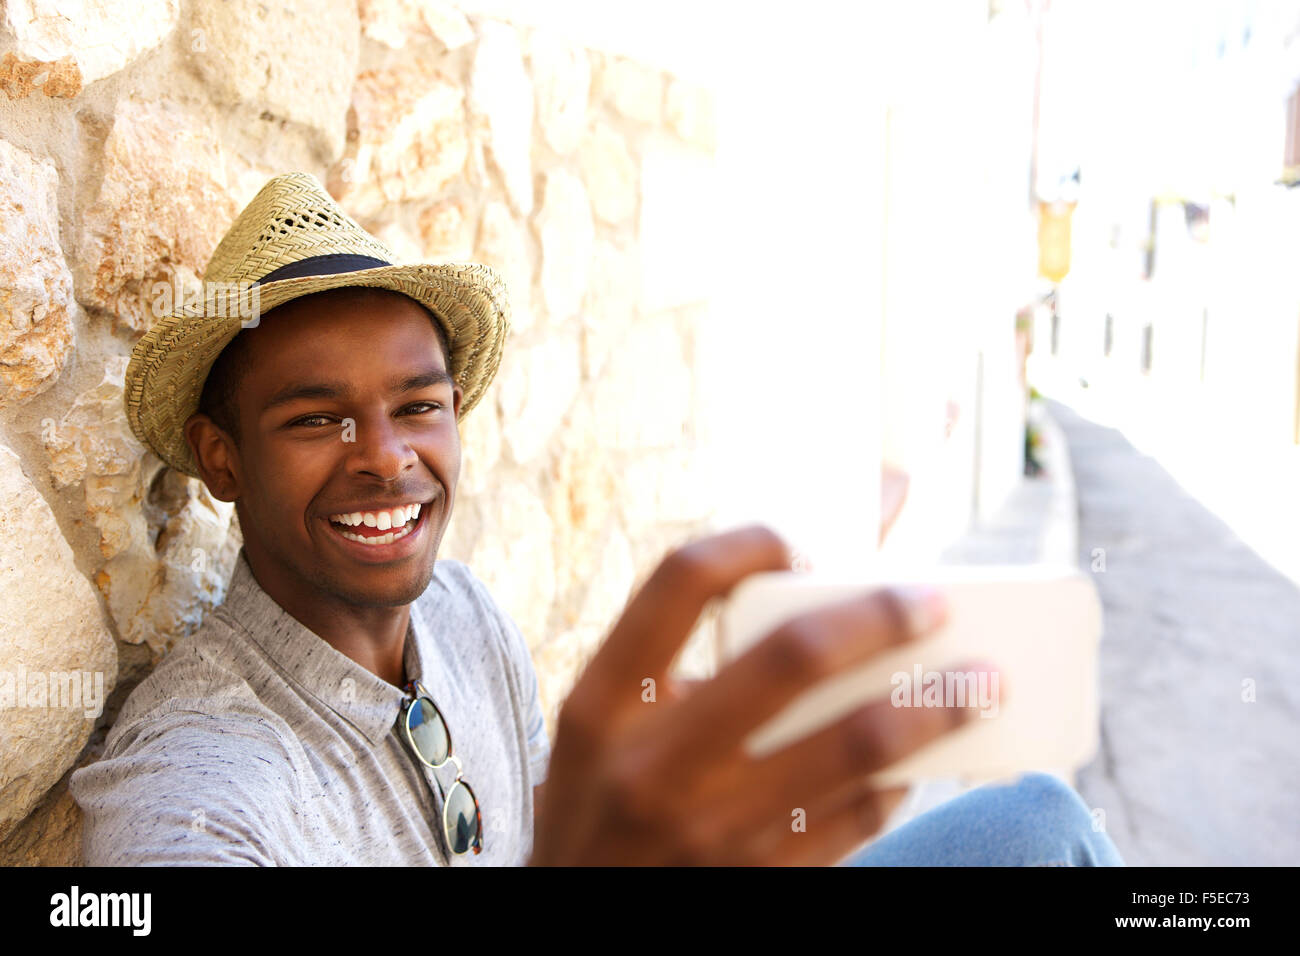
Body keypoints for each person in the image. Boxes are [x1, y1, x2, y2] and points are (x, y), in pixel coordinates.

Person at [69, 173, 1123, 866]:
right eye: (316, 418)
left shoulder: (464, 610)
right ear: (221, 457)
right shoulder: (198, 782)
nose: (386, 457)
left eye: (419, 405)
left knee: (1040, 823)